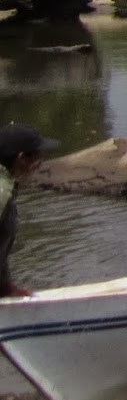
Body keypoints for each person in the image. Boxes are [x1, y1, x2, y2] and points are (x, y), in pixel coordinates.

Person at [0, 124, 55, 299]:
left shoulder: (8, 186)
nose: (39, 164)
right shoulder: (2, 192)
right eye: (37, 158)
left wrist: (5, 287)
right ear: (21, 158)